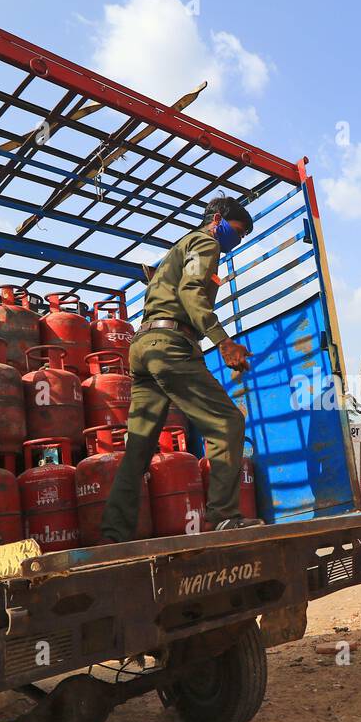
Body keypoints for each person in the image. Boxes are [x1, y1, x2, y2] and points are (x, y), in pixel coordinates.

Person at [101, 196, 264, 540]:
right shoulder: (205, 242)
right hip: (170, 346)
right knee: (227, 423)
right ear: (217, 219)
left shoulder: (175, 251)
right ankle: (223, 516)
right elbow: (192, 292)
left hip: (144, 347)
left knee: (139, 447)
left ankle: (114, 533)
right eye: (237, 231)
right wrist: (223, 341)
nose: (238, 240)